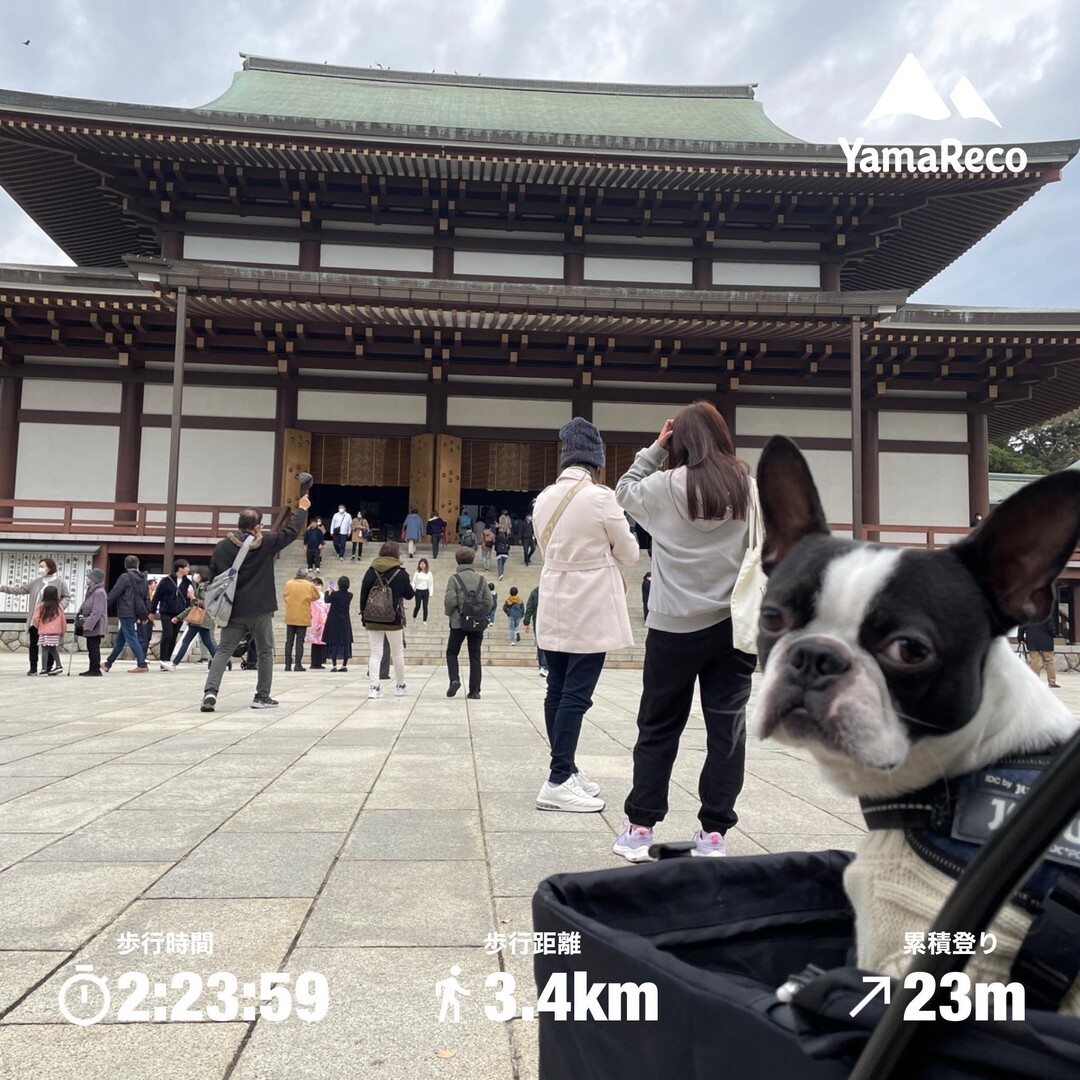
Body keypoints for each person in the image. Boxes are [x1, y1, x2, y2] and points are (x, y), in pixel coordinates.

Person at [612, 401, 755, 861]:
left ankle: (639, 827)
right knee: (726, 731)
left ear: (680, 440)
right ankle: (714, 833)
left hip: (672, 628)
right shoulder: (748, 490)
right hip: (731, 628)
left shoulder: (660, 486)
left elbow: (622, 490)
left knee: (658, 726)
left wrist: (655, 448)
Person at [533, 416, 639, 813]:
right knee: (576, 693)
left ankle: (567, 768)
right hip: (589, 602)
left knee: (557, 689)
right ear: (596, 460)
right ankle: (558, 779)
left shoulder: (543, 498)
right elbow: (628, 553)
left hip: (554, 598)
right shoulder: (600, 498)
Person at [200, 498, 309, 712]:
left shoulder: (222, 547)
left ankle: (210, 691)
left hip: (232, 609)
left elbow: (214, 575)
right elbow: (292, 531)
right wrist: (303, 508)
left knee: (223, 650)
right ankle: (262, 696)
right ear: (258, 526)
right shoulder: (266, 543)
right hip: (260, 608)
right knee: (265, 651)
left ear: (239, 524)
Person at [360, 541, 414, 698]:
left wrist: (364, 616)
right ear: (396, 554)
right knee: (397, 652)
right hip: (393, 618)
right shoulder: (401, 573)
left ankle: (374, 687)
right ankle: (400, 685)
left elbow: (363, 595)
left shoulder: (370, 571)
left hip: (372, 617)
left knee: (375, 653)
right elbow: (410, 595)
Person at [0, 556, 71, 676]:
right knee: (33, 644)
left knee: (49, 645)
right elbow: (20, 590)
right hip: (35, 619)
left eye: (42, 566)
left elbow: (66, 597)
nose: (40, 569)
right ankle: (33, 668)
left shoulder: (60, 583)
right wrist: (3, 588)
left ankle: (48, 667)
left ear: (49, 568)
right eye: (39, 566)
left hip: (49, 620)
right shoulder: (36, 582)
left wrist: (59, 608)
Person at [444, 545, 494, 699]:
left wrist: (450, 614)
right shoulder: (481, 579)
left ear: (458, 561)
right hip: (477, 623)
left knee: (452, 652)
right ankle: (475, 690)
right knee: (475, 655)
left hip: (459, 622)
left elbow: (450, 600)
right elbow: (489, 601)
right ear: (472, 560)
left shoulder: (454, 579)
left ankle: (454, 679)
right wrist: (480, 612)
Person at [104, 555, 151, 673]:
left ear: (125, 565)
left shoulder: (124, 577)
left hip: (126, 611)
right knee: (121, 639)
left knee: (131, 637)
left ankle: (142, 663)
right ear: (138, 565)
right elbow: (146, 598)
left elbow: (115, 592)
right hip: (137, 611)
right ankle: (108, 663)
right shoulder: (144, 579)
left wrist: (104, 604)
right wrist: (145, 614)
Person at [166, 567, 218, 668]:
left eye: (197, 573)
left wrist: (193, 597)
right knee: (208, 642)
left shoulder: (203, 587)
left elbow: (203, 604)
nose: (195, 576)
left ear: (201, 575)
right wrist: (179, 617)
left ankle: (174, 663)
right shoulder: (204, 586)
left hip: (200, 618)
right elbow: (193, 607)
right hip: (203, 619)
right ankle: (220, 663)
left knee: (187, 641)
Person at [151, 559, 192, 672]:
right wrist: (152, 611)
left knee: (174, 636)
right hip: (166, 611)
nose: (189, 569)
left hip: (180, 613)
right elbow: (156, 597)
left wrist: (187, 613)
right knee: (167, 634)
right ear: (180, 568)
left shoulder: (187, 582)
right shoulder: (166, 581)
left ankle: (168, 660)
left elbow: (189, 600)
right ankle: (163, 660)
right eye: (187, 567)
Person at [283, 567, 321, 672]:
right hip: (302, 615)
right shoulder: (309, 585)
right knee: (300, 641)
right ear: (305, 575)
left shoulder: (289, 583)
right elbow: (316, 596)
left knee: (289, 640)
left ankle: (287, 665)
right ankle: (298, 664)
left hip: (290, 615)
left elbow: (285, 596)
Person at [1019, 608, 1061, 689]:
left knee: (1034, 661)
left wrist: (1020, 637)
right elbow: (1050, 625)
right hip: (1045, 639)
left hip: (1032, 639)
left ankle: (1035, 681)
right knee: (1049, 661)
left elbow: (1022, 626)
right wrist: (1053, 634)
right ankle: (1052, 681)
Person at [77, 568, 108, 676]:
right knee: (91, 647)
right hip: (92, 624)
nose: (88, 580)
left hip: (96, 625)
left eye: (89, 578)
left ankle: (95, 669)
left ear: (94, 580)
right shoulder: (93, 591)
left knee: (94, 647)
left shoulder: (99, 592)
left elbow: (97, 611)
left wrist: (88, 624)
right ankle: (92, 668)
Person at [32, 585, 66, 675]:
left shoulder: (41, 606)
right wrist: (63, 631)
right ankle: (58, 665)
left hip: (44, 632)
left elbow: (35, 618)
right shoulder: (59, 606)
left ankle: (44, 669)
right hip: (55, 633)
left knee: (45, 650)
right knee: (53, 649)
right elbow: (63, 620)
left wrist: (38, 626)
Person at [324, 575, 354, 673]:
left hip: (334, 620)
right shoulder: (350, 595)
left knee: (334, 642)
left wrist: (328, 591)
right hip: (345, 621)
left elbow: (327, 600)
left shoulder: (334, 594)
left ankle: (334, 665)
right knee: (345, 642)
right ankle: (344, 665)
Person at [523, 585, 547, 677]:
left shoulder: (536, 591)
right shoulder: (538, 591)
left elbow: (529, 607)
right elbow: (529, 607)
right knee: (545, 643)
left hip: (539, 620)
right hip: (546, 620)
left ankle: (543, 666)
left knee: (541, 643)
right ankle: (545, 666)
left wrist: (526, 622)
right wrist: (526, 621)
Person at [308, 580, 328, 669]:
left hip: (322, 621)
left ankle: (319, 662)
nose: (317, 586)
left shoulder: (323, 595)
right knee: (315, 643)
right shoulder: (310, 595)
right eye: (315, 584)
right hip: (314, 621)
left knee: (321, 642)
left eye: (318, 584)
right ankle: (315, 662)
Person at [412, 558, 433, 623]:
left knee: (425, 606)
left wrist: (431, 592)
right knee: (417, 606)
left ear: (426, 565)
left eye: (423, 564)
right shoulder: (417, 573)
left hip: (425, 591)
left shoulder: (429, 573)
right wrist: (412, 590)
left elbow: (431, 583)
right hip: (418, 591)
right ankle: (414, 616)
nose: (422, 565)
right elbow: (414, 582)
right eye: (421, 564)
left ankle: (425, 620)